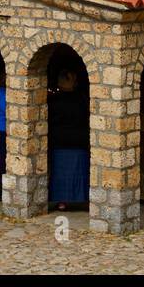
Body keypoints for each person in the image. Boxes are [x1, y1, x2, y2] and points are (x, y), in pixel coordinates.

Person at [47, 69, 90, 211]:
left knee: (60, 174)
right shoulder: (82, 98)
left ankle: (62, 202)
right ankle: (83, 198)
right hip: (78, 140)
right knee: (80, 173)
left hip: (60, 140)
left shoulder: (53, 99)